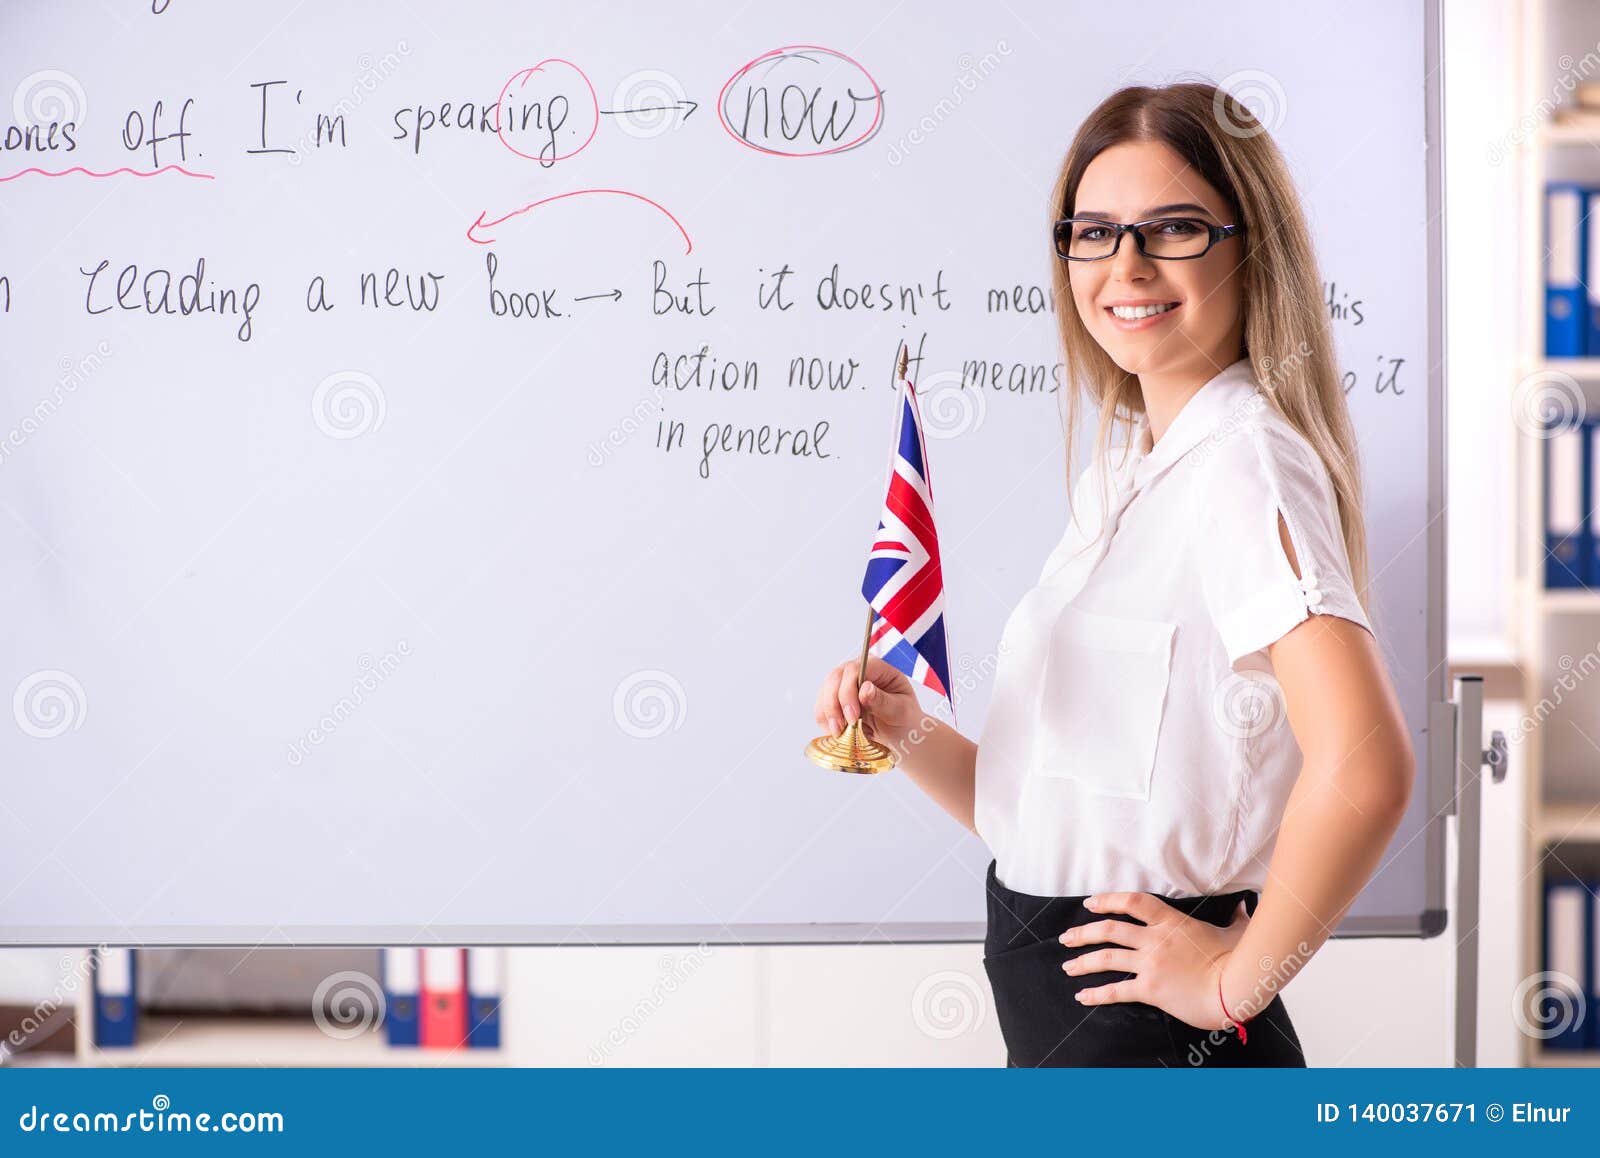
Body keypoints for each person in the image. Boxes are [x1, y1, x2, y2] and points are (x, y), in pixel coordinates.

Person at [812, 81, 1414, 1067]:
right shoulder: (1124, 475)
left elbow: (1368, 765)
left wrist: (1232, 983)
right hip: (1058, 1017)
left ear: (1250, 249)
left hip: (1147, 1043)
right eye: (1093, 233)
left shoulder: (1241, 465)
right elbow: (1051, 821)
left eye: (1172, 228)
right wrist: (906, 731)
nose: (1124, 265)